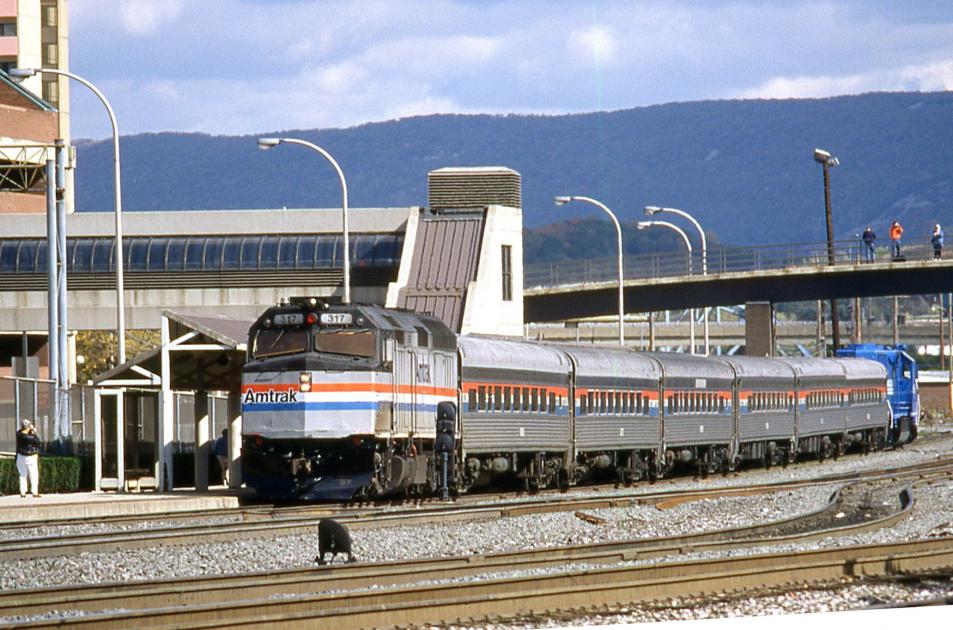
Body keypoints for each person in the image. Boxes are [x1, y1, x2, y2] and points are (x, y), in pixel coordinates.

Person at [15, 418, 41, 498]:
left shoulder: (18, 434)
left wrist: (30, 430)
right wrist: (34, 431)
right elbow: (37, 441)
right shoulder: (30, 437)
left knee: (22, 475)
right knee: (33, 474)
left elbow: (23, 432)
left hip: (20, 456)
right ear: (28, 427)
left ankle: (23, 492)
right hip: (30, 457)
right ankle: (34, 492)